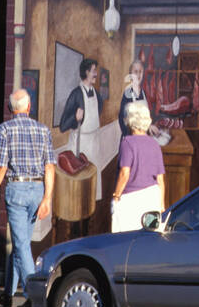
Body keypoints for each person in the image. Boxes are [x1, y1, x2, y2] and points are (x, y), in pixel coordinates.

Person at [0, 89, 55, 307]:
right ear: (28, 106)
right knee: (21, 241)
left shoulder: (4, 129)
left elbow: (0, 167)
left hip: (16, 188)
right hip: (37, 188)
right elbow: (50, 167)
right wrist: (47, 199)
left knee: (22, 244)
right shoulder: (43, 130)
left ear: (10, 108)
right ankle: (7, 294)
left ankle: (36, 296)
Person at [111, 102, 166, 232]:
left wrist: (116, 196)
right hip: (152, 198)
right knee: (148, 242)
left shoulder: (127, 142)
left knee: (124, 243)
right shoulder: (154, 144)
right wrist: (161, 204)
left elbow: (125, 173)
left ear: (130, 120)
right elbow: (160, 180)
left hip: (131, 201)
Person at [58, 58, 107, 200]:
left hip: (94, 142)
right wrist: (75, 117)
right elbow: (63, 125)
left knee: (93, 186)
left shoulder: (97, 95)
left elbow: (98, 112)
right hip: (80, 143)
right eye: (93, 71)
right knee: (78, 188)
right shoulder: (76, 94)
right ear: (86, 72)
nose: (96, 74)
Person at [118, 59, 150, 137]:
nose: (138, 75)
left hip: (142, 136)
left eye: (140, 71)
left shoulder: (143, 93)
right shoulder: (128, 93)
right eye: (135, 72)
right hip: (130, 137)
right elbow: (122, 118)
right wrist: (128, 135)